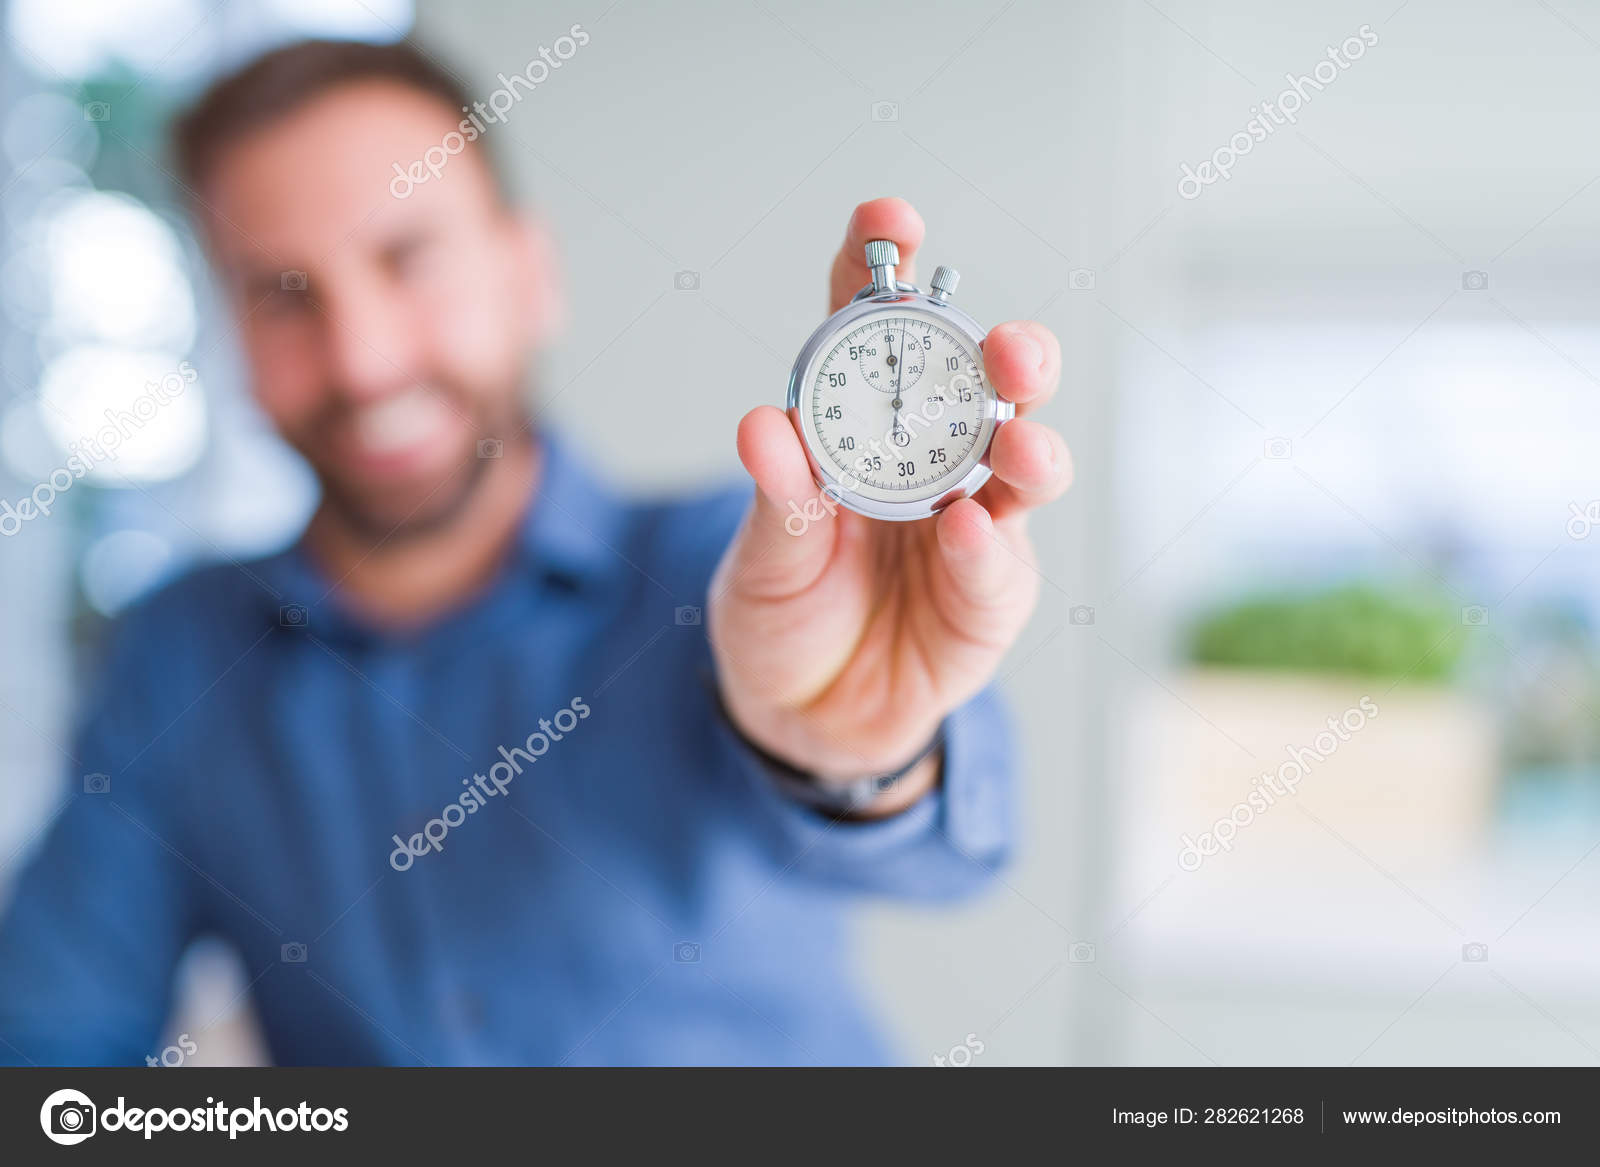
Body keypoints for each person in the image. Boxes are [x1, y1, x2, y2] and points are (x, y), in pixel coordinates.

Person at [0, 39, 1071, 1066]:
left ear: (530, 274)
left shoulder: (746, 566)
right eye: (283, 293)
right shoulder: (180, 656)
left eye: (407, 259)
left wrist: (849, 759)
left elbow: (952, 861)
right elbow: (48, 1052)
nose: (363, 360)